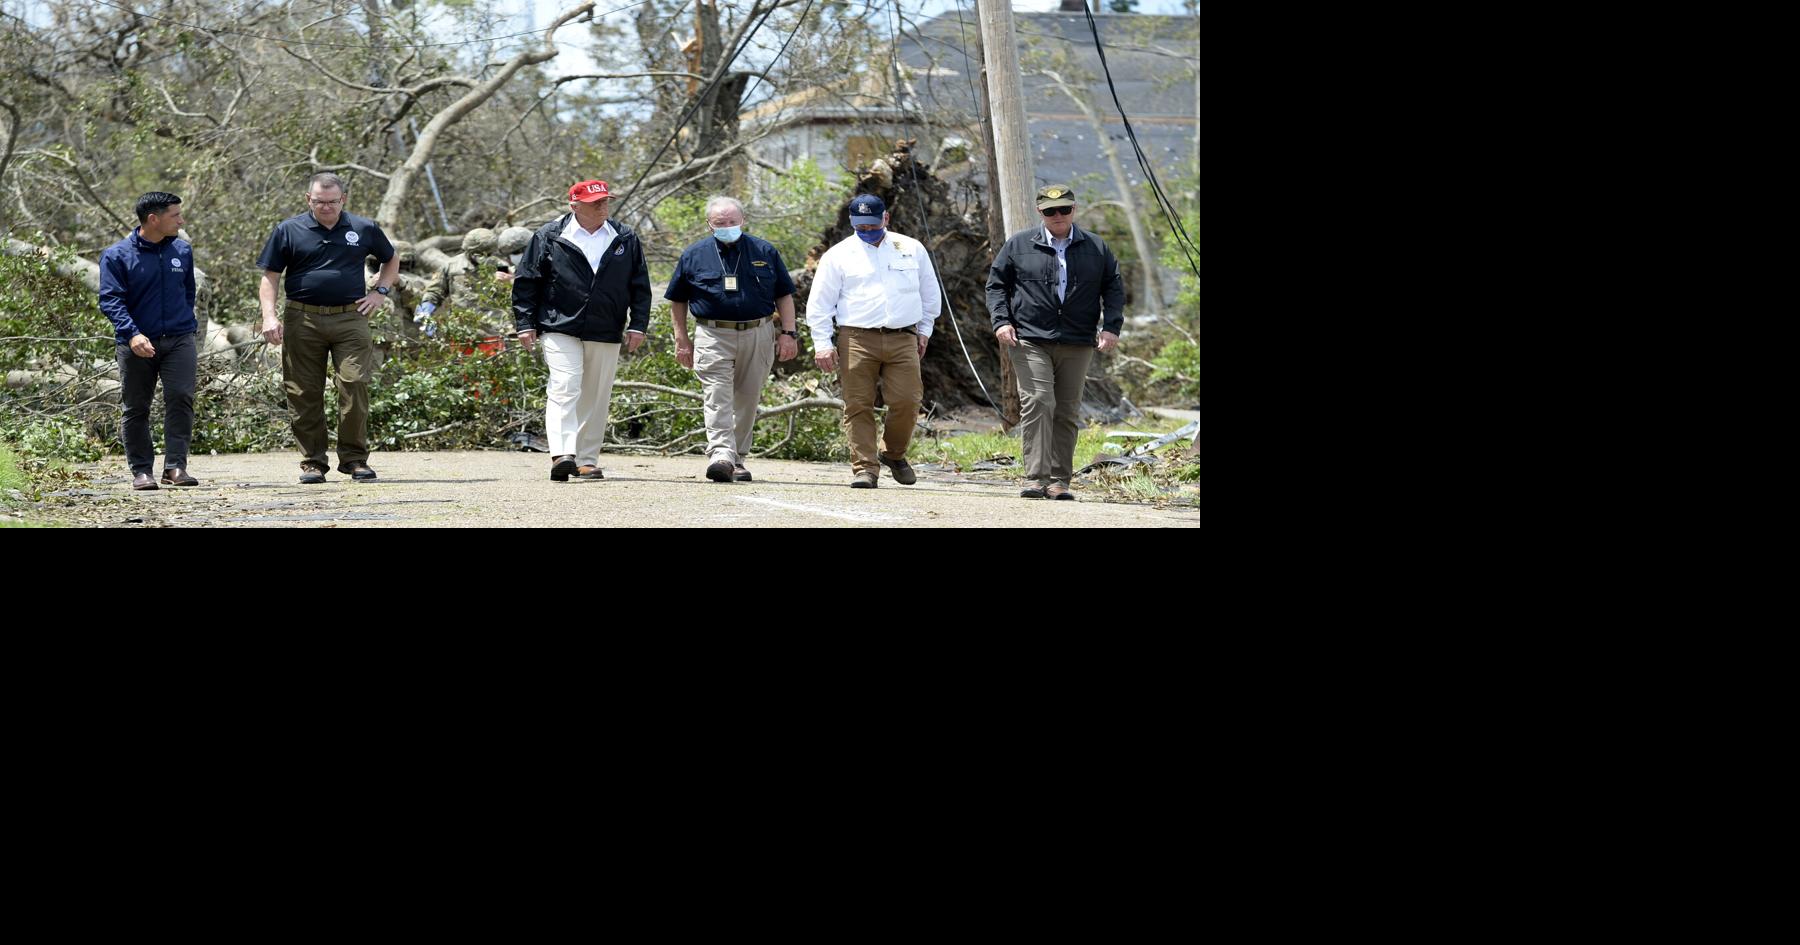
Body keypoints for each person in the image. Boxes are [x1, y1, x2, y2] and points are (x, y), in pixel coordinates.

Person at [256, 172, 398, 483]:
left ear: (343, 199)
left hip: (351, 318)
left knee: (355, 383)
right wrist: (269, 316)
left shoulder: (363, 227)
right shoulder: (288, 229)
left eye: (332, 202)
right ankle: (313, 462)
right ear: (309, 199)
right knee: (304, 391)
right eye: (319, 202)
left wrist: (380, 292)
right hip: (302, 318)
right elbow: (270, 277)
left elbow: (391, 259)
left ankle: (355, 459)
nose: (326, 207)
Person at [985, 184, 1123, 500]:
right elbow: (996, 286)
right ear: (1041, 213)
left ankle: (1060, 480)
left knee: (1066, 409)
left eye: (1064, 209)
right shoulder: (1018, 245)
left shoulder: (1096, 247)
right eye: (1050, 211)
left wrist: (1111, 327)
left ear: (1074, 210)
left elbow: (1113, 289)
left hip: (1077, 340)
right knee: (1038, 401)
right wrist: (1002, 321)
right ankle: (1036, 477)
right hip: (1030, 338)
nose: (1058, 216)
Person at [510, 179, 650, 481]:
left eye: (605, 200)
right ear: (574, 205)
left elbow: (640, 285)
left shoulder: (625, 236)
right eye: (595, 201)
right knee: (565, 384)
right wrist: (524, 323)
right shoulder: (549, 235)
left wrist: (638, 324)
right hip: (558, 324)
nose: (603, 205)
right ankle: (562, 454)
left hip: (607, 325)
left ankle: (586, 460)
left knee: (596, 395)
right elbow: (527, 280)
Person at [804, 194, 940, 489]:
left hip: (903, 335)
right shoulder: (838, 255)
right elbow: (819, 304)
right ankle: (865, 467)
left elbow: (929, 292)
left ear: (886, 219)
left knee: (908, 400)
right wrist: (822, 343)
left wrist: (925, 330)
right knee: (857, 404)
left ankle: (892, 453)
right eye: (860, 226)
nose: (866, 231)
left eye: (872, 225)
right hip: (855, 337)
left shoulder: (911, 248)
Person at [664, 196, 799, 482]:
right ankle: (721, 453)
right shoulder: (694, 254)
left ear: (743, 220)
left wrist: (788, 334)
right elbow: (677, 300)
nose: (727, 227)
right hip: (713, 334)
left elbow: (784, 295)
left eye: (732, 222)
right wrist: (681, 339)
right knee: (717, 395)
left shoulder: (764, 250)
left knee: (748, 398)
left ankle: (737, 457)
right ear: (709, 225)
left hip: (758, 332)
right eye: (720, 223)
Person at [98, 191, 200, 490]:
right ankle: (142, 471)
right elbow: (110, 300)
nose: (181, 220)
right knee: (136, 407)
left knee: (181, 398)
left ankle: (175, 468)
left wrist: (185, 323)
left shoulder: (182, 250)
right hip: (136, 343)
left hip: (180, 339)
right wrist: (132, 334)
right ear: (153, 219)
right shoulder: (117, 255)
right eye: (175, 216)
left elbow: (188, 293)